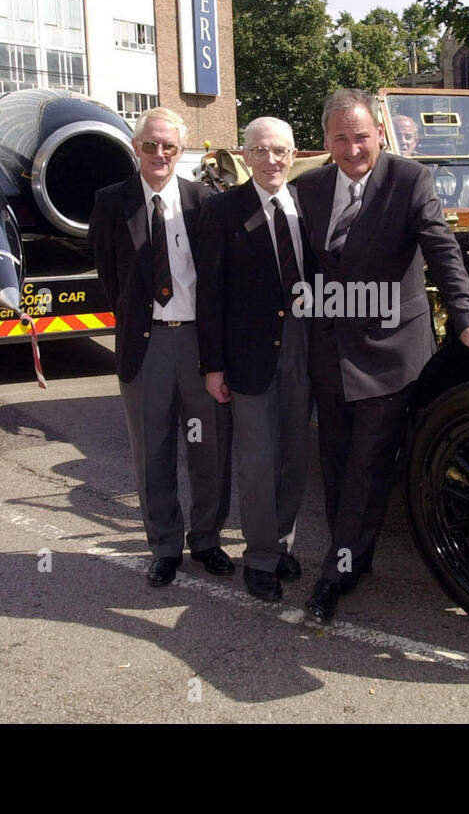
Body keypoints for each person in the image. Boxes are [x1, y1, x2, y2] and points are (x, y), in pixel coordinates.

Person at [293, 88, 469, 625]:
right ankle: (356, 555)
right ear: (325, 140)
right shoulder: (308, 188)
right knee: (338, 460)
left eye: (361, 137)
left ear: (380, 135)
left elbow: (442, 249)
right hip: (329, 348)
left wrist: (466, 319)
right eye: (341, 138)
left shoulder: (410, 180)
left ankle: (334, 571)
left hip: (393, 350)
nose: (352, 149)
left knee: (368, 464)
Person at [90, 107, 234, 587]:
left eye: (168, 146)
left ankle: (208, 538)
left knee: (207, 448)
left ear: (181, 150)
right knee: (152, 450)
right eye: (150, 144)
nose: (159, 153)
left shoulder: (203, 202)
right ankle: (165, 545)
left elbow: (216, 279)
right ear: (136, 147)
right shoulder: (112, 202)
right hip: (146, 345)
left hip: (197, 345)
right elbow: (110, 277)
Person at [197, 116, 313, 602]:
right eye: (261, 151)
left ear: (293, 155)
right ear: (245, 156)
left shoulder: (307, 205)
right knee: (259, 461)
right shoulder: (223, 210)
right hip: (248, 355)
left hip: (303, 345)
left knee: (294, 456)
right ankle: (260, 557)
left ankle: (282, 543)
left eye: (280, 151)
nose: (271, 160)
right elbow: (211, 294)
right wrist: (213, 365)